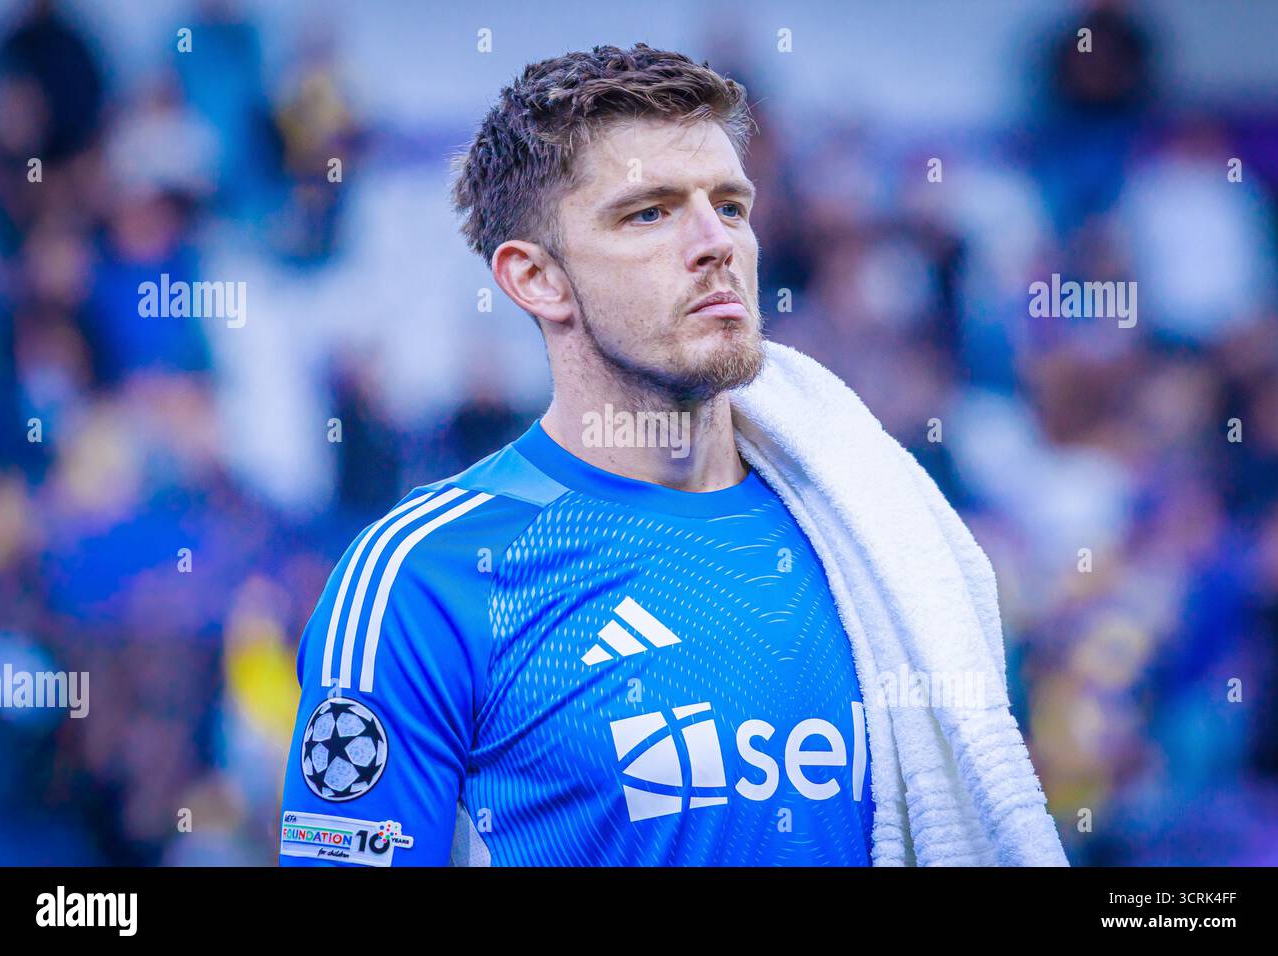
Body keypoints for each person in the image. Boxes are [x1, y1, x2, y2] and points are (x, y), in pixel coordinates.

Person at [278, 43, 880, 866]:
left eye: (732, 206)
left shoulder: (868, 531)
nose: (717, 244)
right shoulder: (422, 579)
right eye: (650, 213)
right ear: (537, 280)